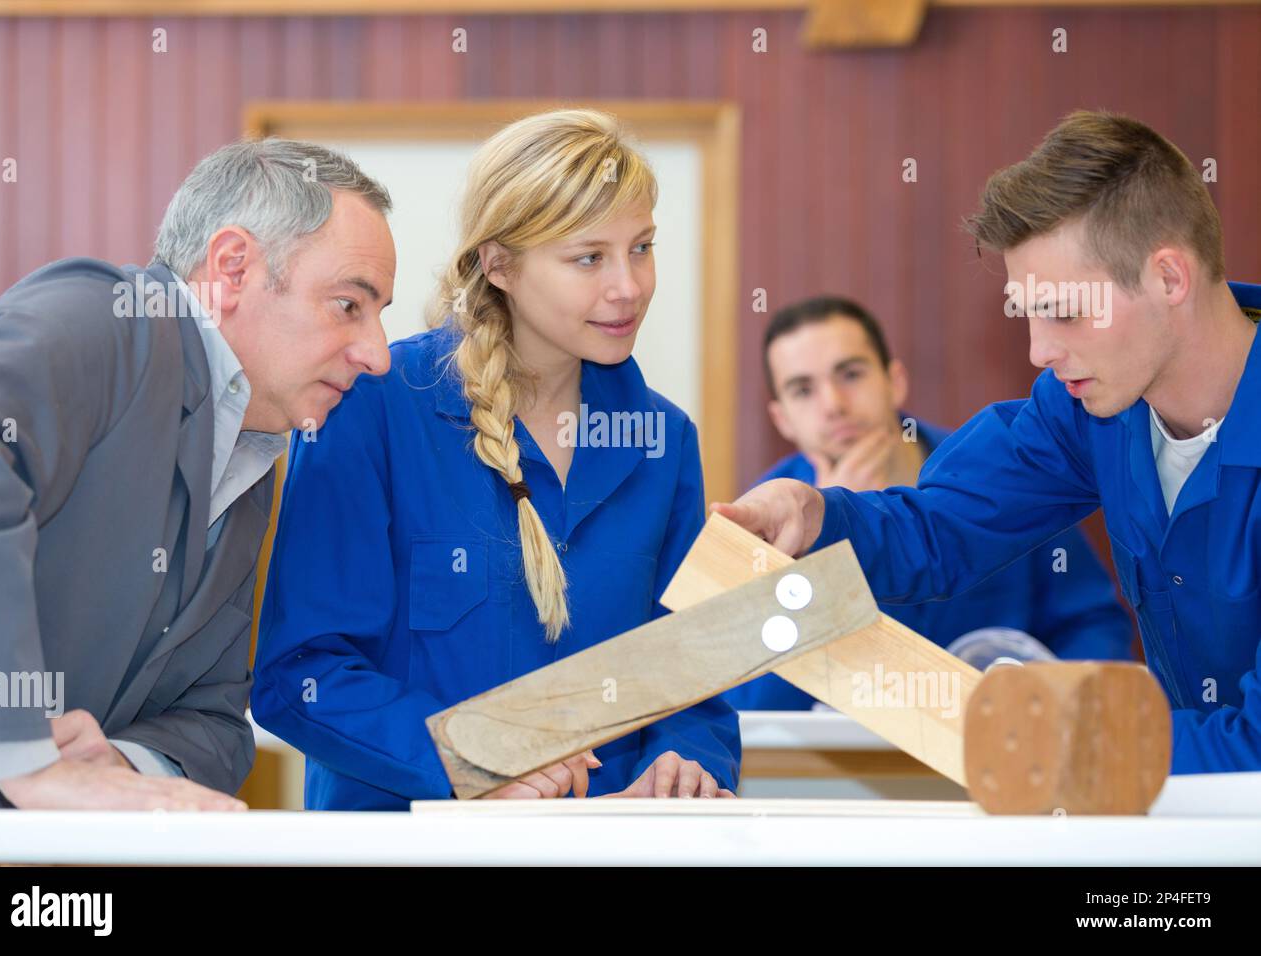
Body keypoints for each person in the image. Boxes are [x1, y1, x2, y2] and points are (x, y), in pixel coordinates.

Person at [714, 110, 1261, 773]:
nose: (1039, 351)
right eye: (1027, 314)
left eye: (1063, 312)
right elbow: (940, 527)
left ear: (1169, 278)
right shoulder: (1086, 407)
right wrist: (818, 515)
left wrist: (1051, 739)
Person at [252, 109, 741, 809]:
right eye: (588, 258)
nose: (628, 286)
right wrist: (471, 758)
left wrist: (688, 756)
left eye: (641, 248)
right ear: (499, 264)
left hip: (612, 850)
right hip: (409, 849)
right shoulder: (369, 407)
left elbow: (693, 669)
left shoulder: (664, 440)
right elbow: (302, 676)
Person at [0, 139, 395, 809]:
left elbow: (213, 716)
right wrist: (20, 753)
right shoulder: (102, 320)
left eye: (379, 315)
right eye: (347, 305)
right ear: (232, 268)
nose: (378, 355)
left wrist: (116, 765)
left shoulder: (251, 455)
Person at [723, 295, 1132, 712]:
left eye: (851, 374)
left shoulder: (995, 478)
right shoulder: (769, 521)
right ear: (782, 419)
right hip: (838, 750)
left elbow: (1091, 624)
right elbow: (749, 705)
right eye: (803, 390)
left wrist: (1054, 713)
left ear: (895, 381)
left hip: (999, 740)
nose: (833, 405)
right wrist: (823, 564)